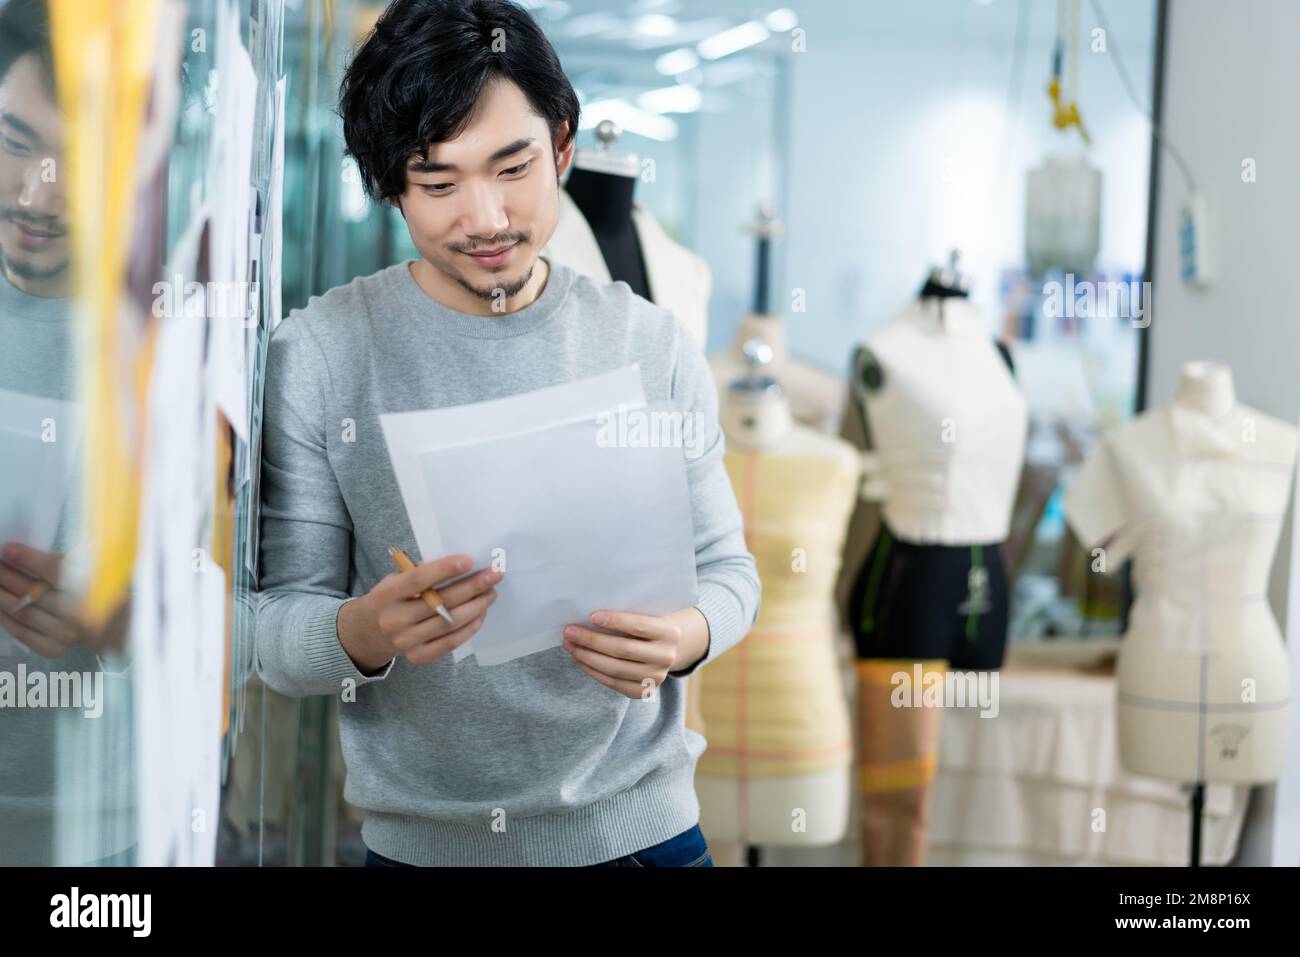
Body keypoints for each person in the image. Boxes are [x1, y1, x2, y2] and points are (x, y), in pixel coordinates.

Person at [254, 0, 760, 867]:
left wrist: (685, 637)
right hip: (424, 848)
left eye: (514, 168)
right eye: (439, 184)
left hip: (644, 835)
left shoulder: (647, 342)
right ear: (389, 187)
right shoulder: (324, 354)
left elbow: (730, 573)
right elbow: (266, 631)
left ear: (562, 144)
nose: (486, 218)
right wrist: (365, 631)